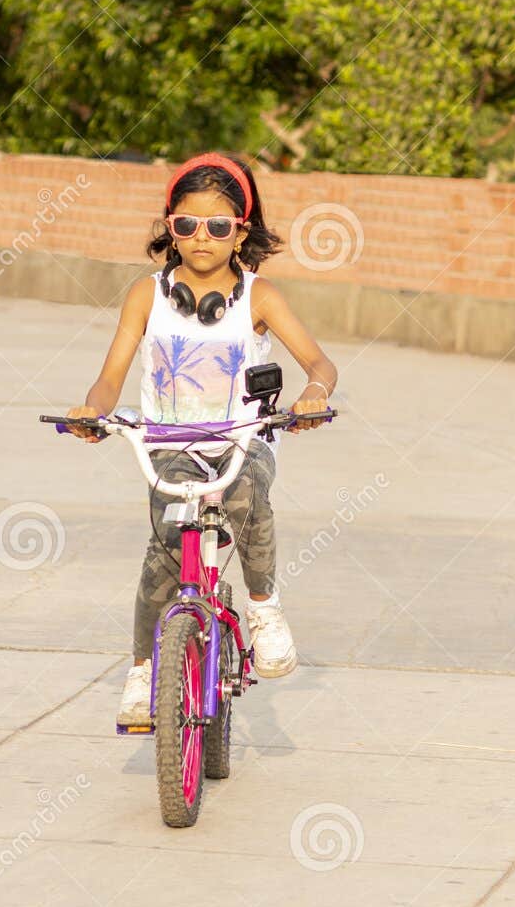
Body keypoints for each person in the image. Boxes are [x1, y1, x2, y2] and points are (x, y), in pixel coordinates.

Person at [65, 151, 338, 728]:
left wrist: (313, 392)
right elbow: (112, 374)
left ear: (241, 232)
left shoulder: (261, 298)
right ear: (170, 228)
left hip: (243, 438)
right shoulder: (146, 295)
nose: (201, 238)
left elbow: (319, 361)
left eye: (218, 226)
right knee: (163, 557)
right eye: (186, 225)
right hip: (169, 442)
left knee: (247, 501)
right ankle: (143, 671)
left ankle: (263, 607)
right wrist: (94, 409)